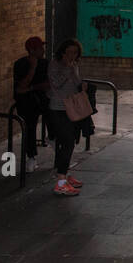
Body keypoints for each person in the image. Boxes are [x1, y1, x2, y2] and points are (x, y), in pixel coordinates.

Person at [46, 39, 88, 197]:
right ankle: (61, 182)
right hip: (58, 108)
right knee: (67, 142)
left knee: (70, 141)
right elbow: (56, 83)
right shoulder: (54, 65)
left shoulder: (74, 65)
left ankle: (64, 173)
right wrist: (67, 68)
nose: (72, 55)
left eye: (75, 52)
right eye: (69, 52)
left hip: (72, 107)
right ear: (63, 52)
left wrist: (82, 85)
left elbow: (76, 82)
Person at [12, 36, 52, 173]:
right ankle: (31, 156)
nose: (43, 50)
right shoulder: (20, 64)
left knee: (53, 117)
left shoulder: (45, 63)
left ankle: (51, 137)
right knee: (29, 126)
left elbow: (48, 84)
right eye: (40, 48)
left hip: (42, 99)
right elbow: (21, 87)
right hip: (26, 102)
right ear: (32, 50)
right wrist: (33, 68)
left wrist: (32, 88)